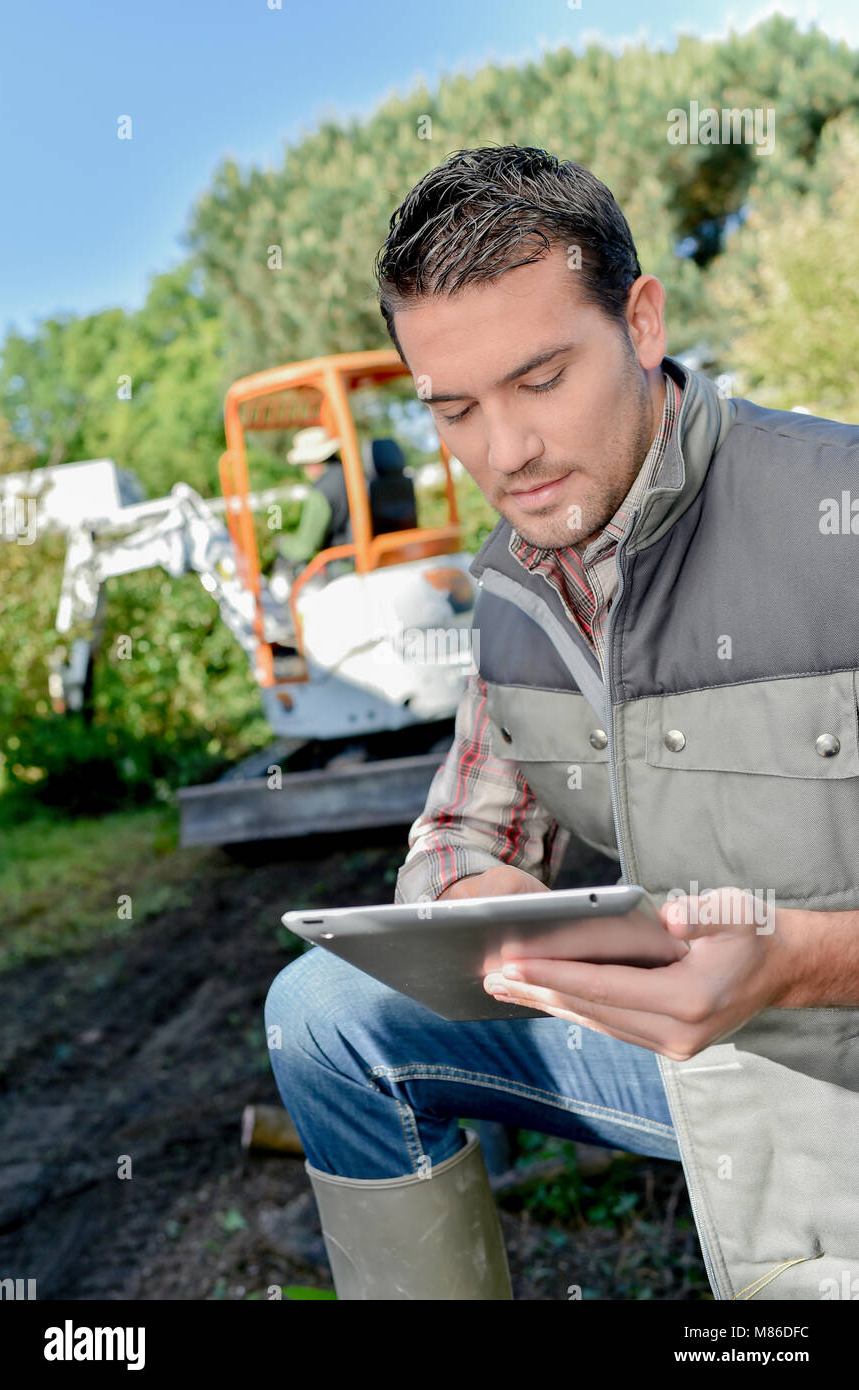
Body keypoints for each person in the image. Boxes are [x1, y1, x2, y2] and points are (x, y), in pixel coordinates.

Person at [265, 145, 859, 1301]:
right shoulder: (515, 587)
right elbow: (454, 836)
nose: (505, 453)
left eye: (540, 380)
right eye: (454, 408)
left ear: (641, 321)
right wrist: (465, 905)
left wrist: (794, 964)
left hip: (832, 1056)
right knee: (325, 1014)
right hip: (685, 1054)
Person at [275, 425, 353, 573]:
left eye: (303, 464)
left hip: (343, 566)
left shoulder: (320, 492)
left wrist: (281, 543)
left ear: (312, 462)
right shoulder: (351, 474)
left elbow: (305, 548)